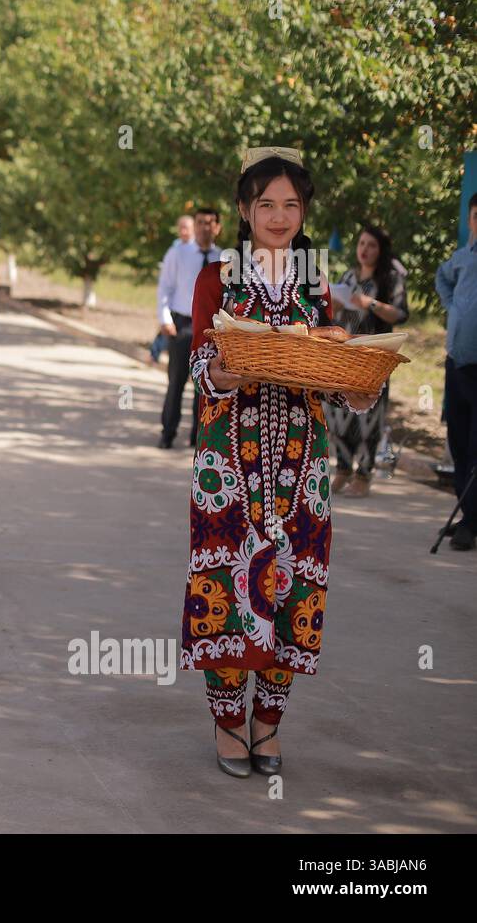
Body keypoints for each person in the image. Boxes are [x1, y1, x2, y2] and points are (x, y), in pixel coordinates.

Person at [180, 147, 380, 779]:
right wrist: (222, 369)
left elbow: (327, 370)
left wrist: (356, 386)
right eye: (266, 203)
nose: (279, 215)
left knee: (295, 590)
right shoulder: (217, 277)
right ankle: (226, 723)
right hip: (228, 467)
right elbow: (199, 369)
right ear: (244, 209)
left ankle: (268, 726)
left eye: (291, 204)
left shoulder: (315, 281)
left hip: (302, 467)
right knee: (225, 590)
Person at [326, 225, 409, 497]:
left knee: (370, 417)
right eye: (361, 243)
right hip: (345, 357)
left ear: (381, 249)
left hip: (374, 359)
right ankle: (343, 470)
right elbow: (333, 308)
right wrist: (334, 306)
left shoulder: (391, 278)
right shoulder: (349, 276)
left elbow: (399, 314)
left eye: (371, 245)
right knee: (339, 415)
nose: (364, 249)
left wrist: (369, 303)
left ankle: (364, 474)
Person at [156, 207, 221, 448]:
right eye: (201, 222)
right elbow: (165, 287)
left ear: (217, 228)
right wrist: (165, 319)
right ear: (194, 226)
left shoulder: (224, 259)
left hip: (211, 329)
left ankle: (198, 436)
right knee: (176, 381)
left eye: (210, 223)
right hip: (182, 324)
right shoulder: (178, 253)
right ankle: (168, 432)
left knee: (204, 384)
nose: (205, 227)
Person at [435, 194, 477, 551]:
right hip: (457, 363)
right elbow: (441, 277)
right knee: (459, 442)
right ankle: (467, 515)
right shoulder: (462, 259)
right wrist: (453, 307)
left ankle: (472, 521)